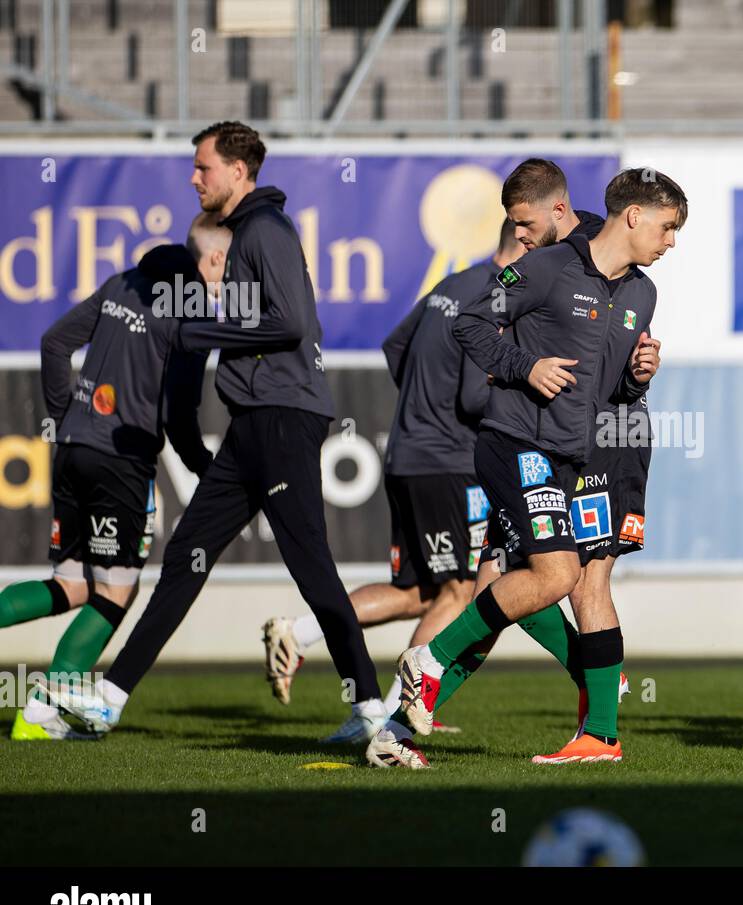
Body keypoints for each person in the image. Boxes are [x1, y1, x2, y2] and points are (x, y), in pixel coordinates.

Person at [51, 122, 386, 745]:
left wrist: (200, 334)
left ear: (238, 172)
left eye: (203, 167)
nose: (193, 177)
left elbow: (288, 323)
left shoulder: (265, 229)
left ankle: (371, 711)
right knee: (184, 558)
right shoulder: (247, 233)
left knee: (310, 567)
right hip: (254, 422)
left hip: (283, 418)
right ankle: (108, 700)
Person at [367, 167, 683, 768]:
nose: (672, 242)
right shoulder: (547, 267)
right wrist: (524, 367)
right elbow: (471, 322)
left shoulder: (642, 293)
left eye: (524, 220)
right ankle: (444, 668)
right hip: (521, 445)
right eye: (668, 228)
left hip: (588, 453)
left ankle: (394, 735)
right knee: (564, 577)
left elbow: (609, 387)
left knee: (503, 589)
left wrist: (639, 374)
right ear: (634, 216)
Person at [260, 218, 524, 729]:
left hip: (407, 456)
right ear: (527, 242)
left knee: (420, 593)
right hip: (449, 463)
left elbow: (394, 347)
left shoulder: (452, 285)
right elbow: (474, 395)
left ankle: (300, 633)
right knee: (460, 593)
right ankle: (392, 718)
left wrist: (425, 402)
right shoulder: (497, 297)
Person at [4, 217, 219, 740]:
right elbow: (178, 414)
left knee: (72, 584)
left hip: (74, 448)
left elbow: (54, 343)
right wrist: (209, 473)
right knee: (115, 591)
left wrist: (64, 420)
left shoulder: (122, 282)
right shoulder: (189, 312)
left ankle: (44, 708)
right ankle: (42, 710)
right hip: (121, 465)